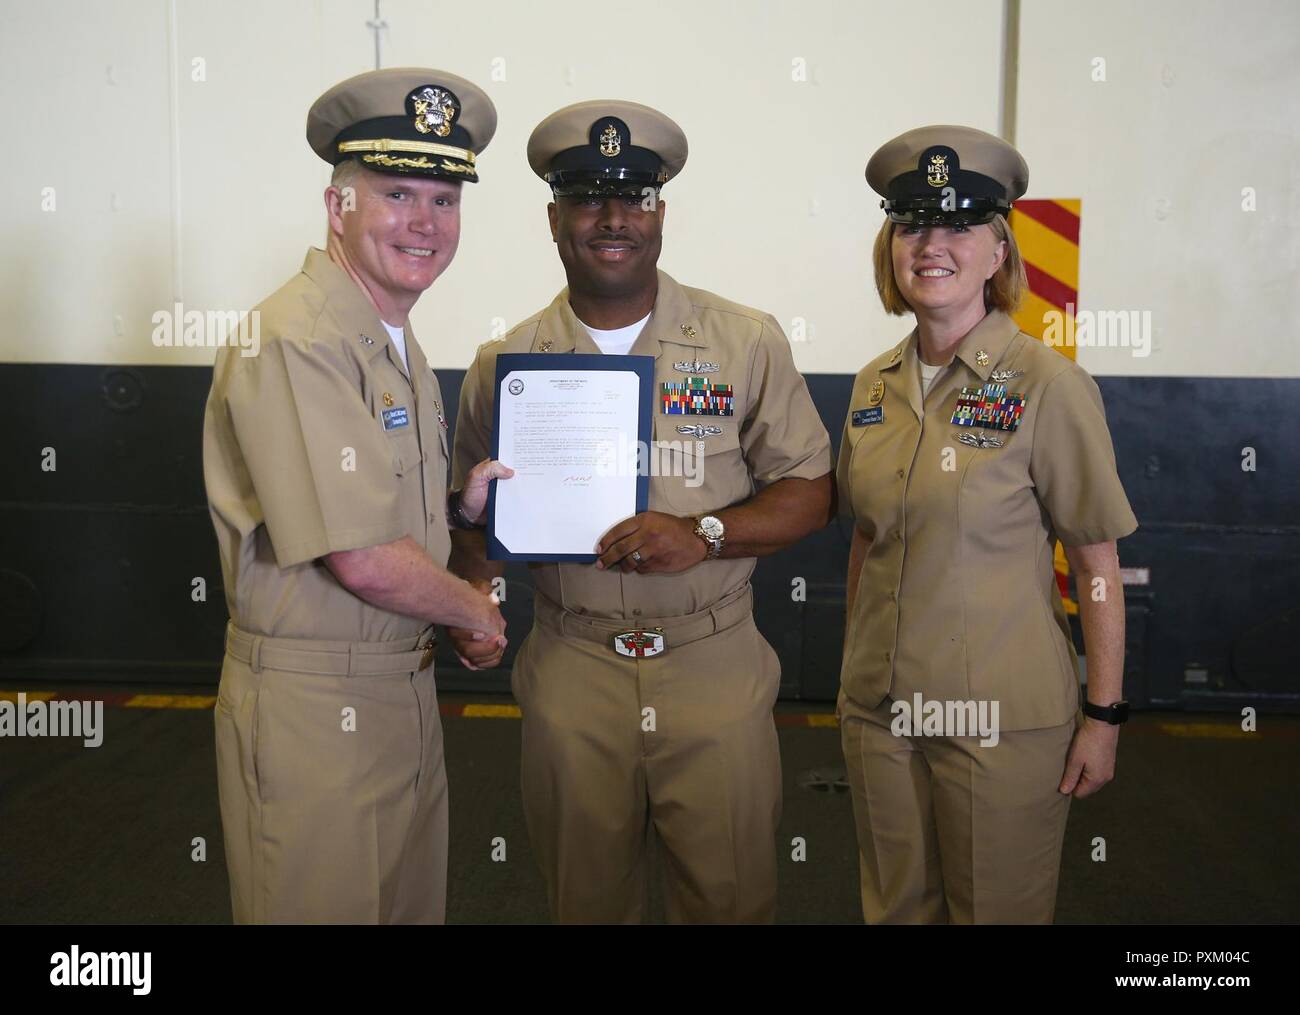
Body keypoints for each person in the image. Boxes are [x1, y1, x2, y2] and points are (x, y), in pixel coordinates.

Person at [448, 99, 833, 923]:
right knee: (584, 903)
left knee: (732, 899)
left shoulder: (744, 340)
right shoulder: (507, 366)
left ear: (662, 212)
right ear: (554, 217)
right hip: (573, 667)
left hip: (712, 665)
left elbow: (811, 490)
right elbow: (473, 521)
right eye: (588, 197)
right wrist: (471, 599)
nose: (614, 218)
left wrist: (704, 533)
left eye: (636, 198)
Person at [202, 67, 510, 924]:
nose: (425, 223)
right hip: (314, 709)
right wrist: (472, 609)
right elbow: (362, 556)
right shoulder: (297, 337)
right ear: (338, 206)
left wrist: (456, 515)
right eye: (397, 193)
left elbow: (365, 509)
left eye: (444, 200)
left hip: (396, 694)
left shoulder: (388, 338)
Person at [836, 124, 1138, 924]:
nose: (932, 243)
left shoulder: (1049, 384)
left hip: (999, 725)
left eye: (960, 225)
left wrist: (1103, 717)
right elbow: (867, 538)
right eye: (912, 224)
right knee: (894, 911)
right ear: (891, 245)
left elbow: (1095, 558)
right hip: (882, 716)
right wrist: (850, 686)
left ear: (1000, 251)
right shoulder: (874, 385)